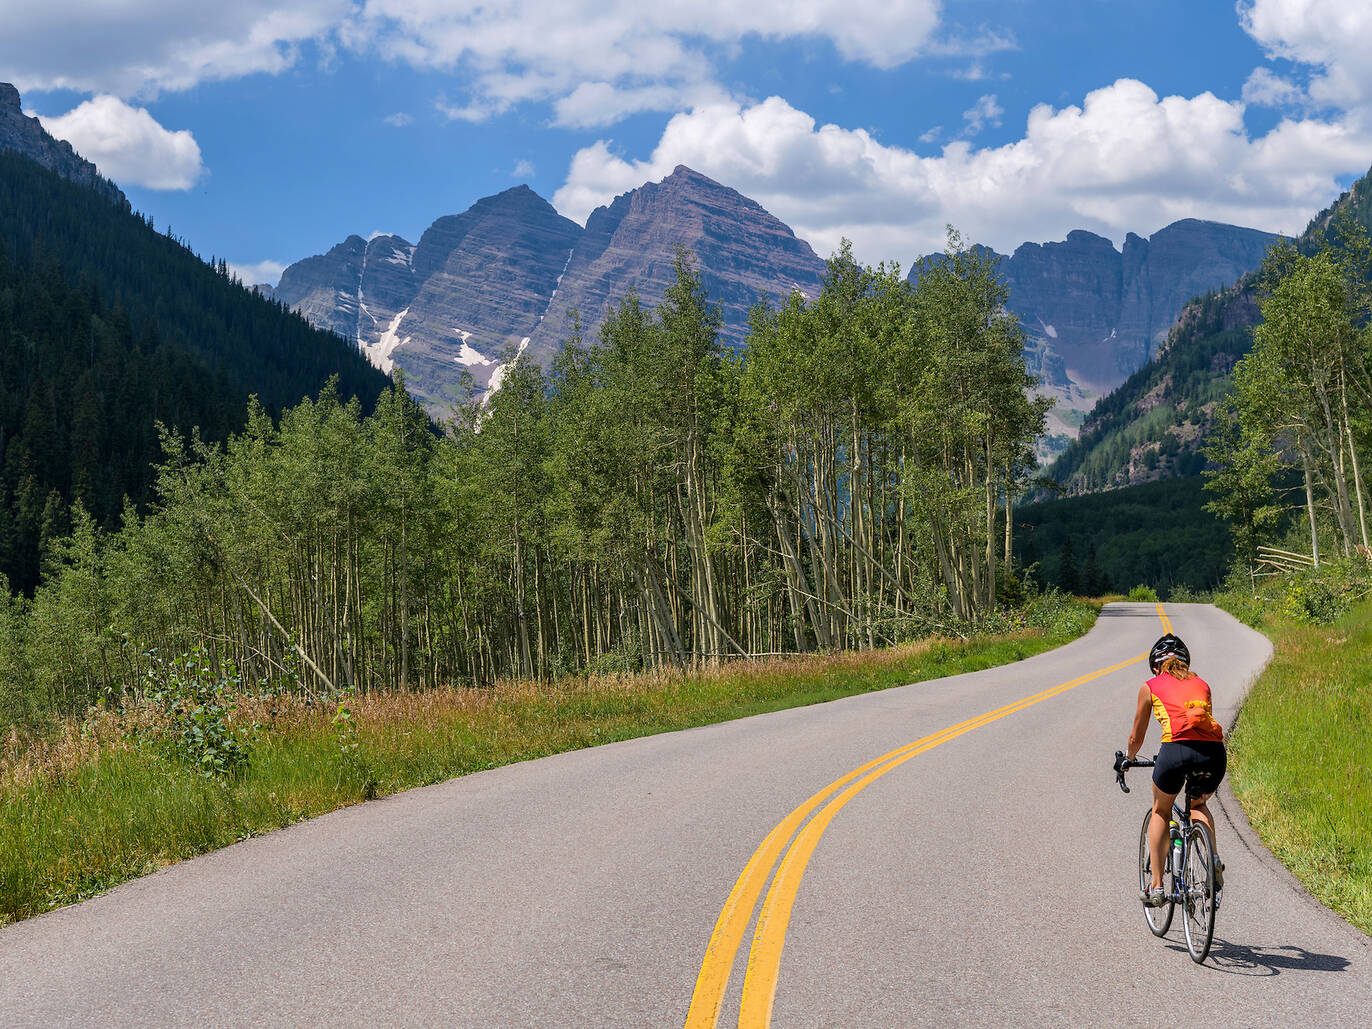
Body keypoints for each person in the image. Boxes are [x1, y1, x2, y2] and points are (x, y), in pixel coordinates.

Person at [1124, 633, 1226, 906]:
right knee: (1198, 805)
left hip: (1176, 752)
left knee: (1161, 810)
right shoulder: (1202, 684)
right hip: (1214, 754)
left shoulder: (1150, 686)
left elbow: (1136, 737)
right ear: (1184, 663)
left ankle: (1156, 886)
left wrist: (1128, 759)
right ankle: (1213, 860)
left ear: (1155, 666)